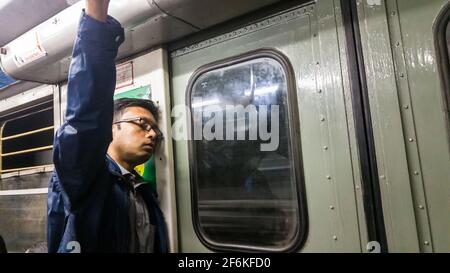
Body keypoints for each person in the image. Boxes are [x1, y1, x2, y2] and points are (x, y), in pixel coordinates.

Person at [47, 0, 168, 253]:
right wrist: (95, 20)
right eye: (142, 123)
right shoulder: (85, 178)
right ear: (111, 128)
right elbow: (85, 118)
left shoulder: (145, 193)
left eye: (155, 130)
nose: (152, 134)